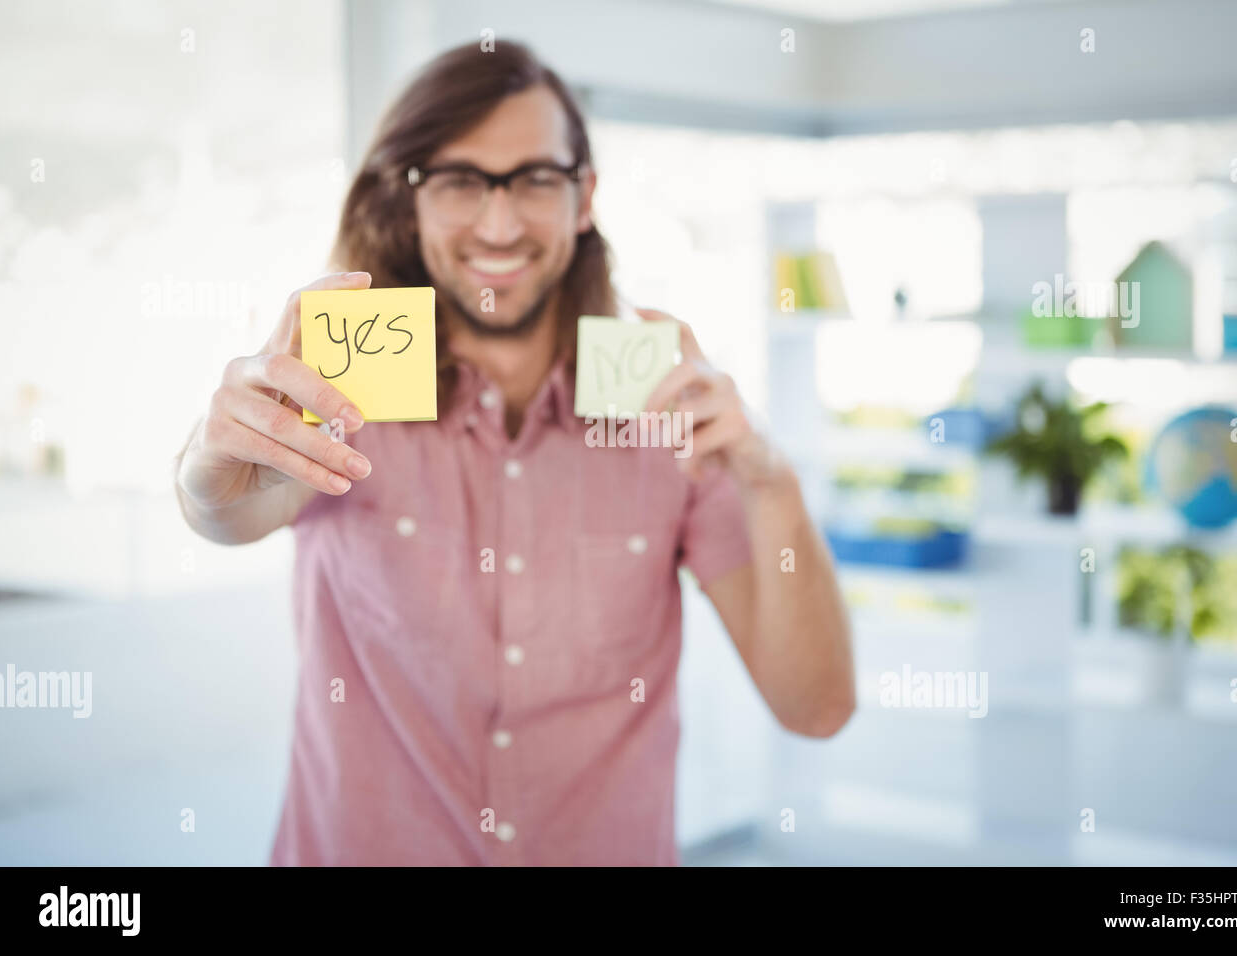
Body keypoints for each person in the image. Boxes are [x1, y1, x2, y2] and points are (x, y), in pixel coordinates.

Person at [174, 40, 853, 866]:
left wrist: (767, 474)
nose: (500, 224)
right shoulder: (344, 384)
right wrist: (209, 470)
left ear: (584, 195)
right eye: (461, 181)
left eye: (535, 179)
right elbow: (233, 507)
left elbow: (816, 708)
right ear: (409, 197)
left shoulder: (659, 400)